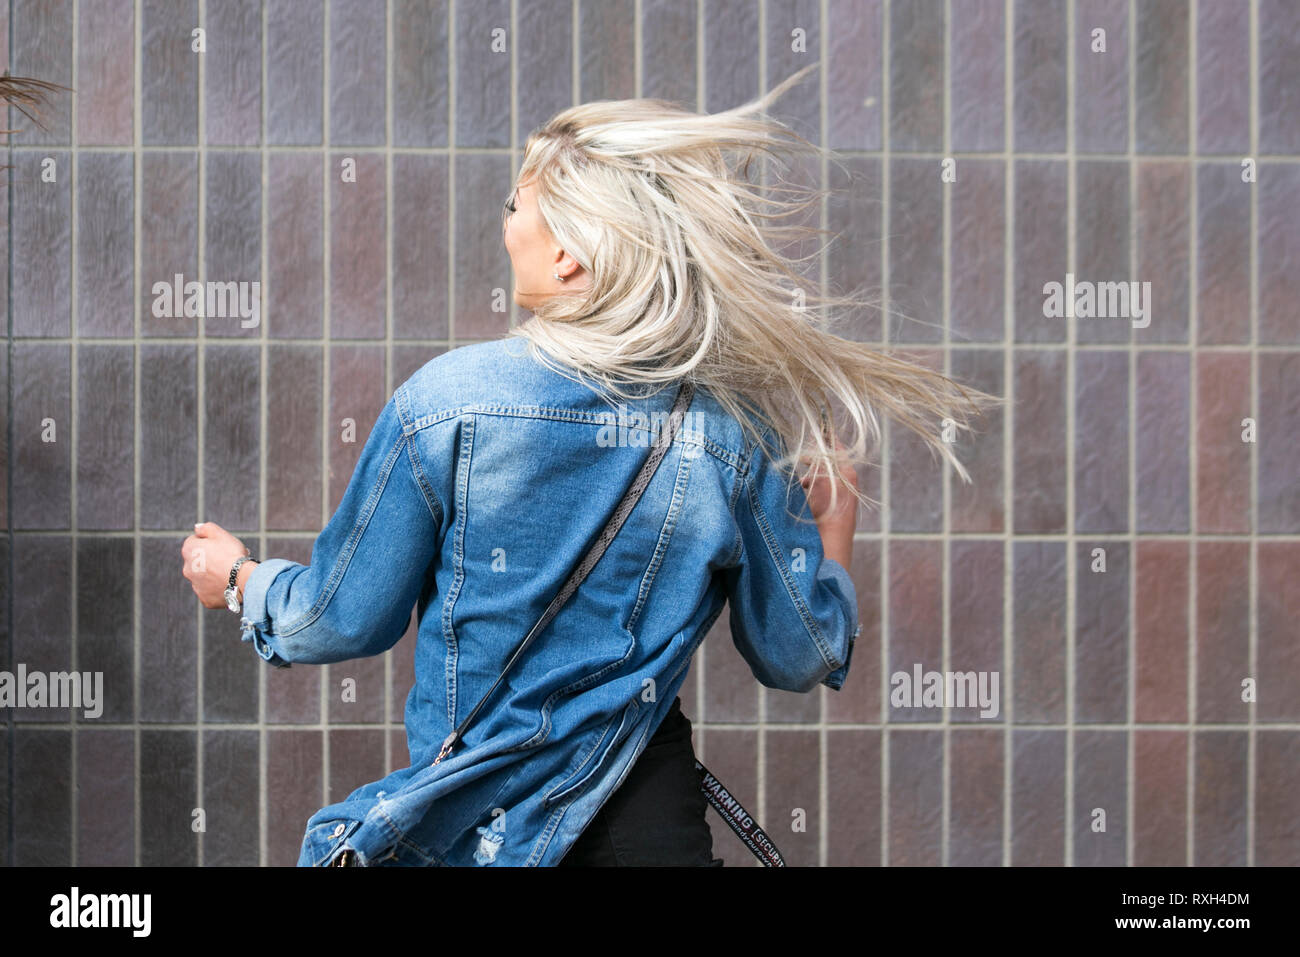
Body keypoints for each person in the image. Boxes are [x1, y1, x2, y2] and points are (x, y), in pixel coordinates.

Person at [180, 64, 994, 867]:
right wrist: (835, 537)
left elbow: (341, 617)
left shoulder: (445, 404)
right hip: (652, 832)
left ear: (568, 253)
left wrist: (242, 581)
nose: (505, 227)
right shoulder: (728, 434)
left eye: (515, 206)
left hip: (480, 838)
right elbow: (795, 653)